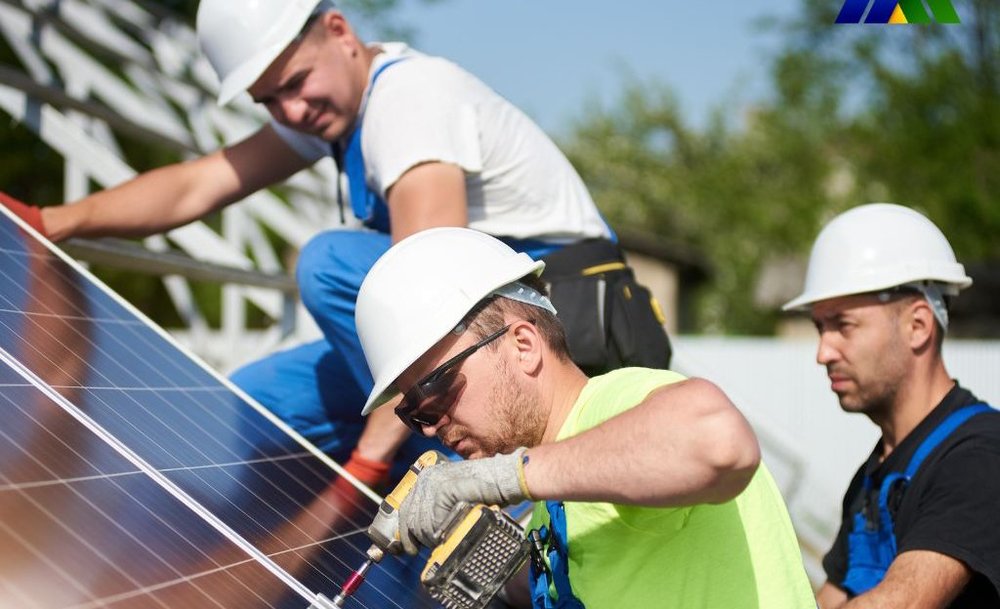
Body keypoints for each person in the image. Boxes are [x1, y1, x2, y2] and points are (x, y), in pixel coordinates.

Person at [0, 0, 670, 488]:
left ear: (340, 31)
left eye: (294, 83)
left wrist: (371, 464)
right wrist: (51, 221)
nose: (290, 110)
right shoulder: (332, 108)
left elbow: (434, 305)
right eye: (269, 100)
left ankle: (456, 478)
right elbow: (197, 186)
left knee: (328, 263)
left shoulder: (407, 100)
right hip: (476, 337)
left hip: (551, 340)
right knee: (248, 405)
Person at [353, 227, 815, 608]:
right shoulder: (550, 508)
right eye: (413, 412)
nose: (430, 424)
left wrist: (490, 479)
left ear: (523, 346)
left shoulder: (620, 401)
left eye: (436, 389)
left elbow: (718, 441)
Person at [782, 203, 1000, 608]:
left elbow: (902, 604)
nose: (823, 351)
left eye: (843, 325)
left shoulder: (980, 456)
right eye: (819, 327)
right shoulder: (874, 477)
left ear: (918, 326)